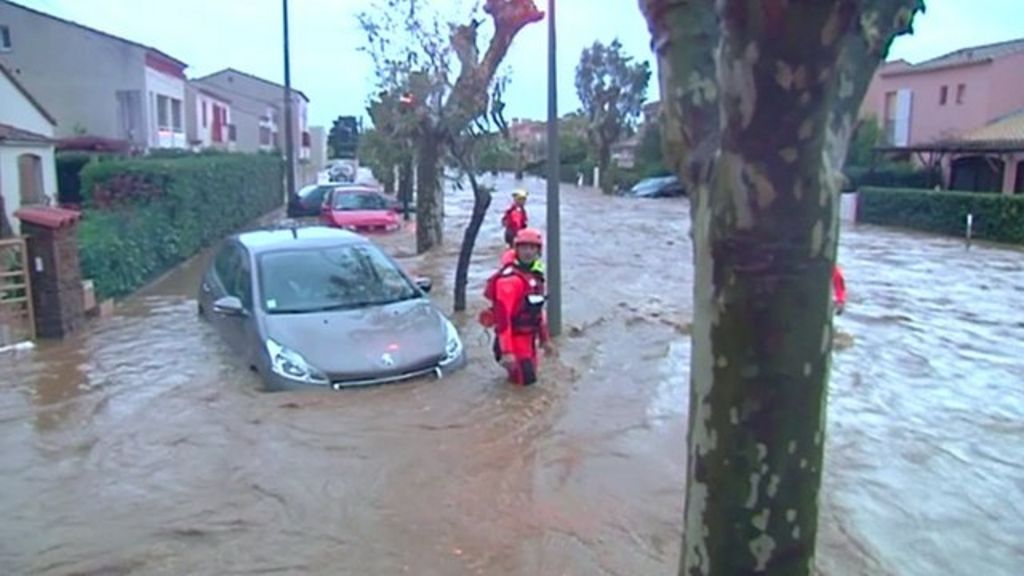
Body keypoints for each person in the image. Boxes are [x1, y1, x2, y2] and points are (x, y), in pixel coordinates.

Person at [480, 228, 552, 386]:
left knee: (529, 383)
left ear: (538, 251)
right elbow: (503, 319)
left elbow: (538, 310)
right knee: (523, 384)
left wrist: (545, 339)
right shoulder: (509, 281)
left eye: (532, 248)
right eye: (524, 247)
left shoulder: (535, 275)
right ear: (516, 249)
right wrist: (507, 352)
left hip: (528, 339)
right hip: (513, 340)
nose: (528, 252)